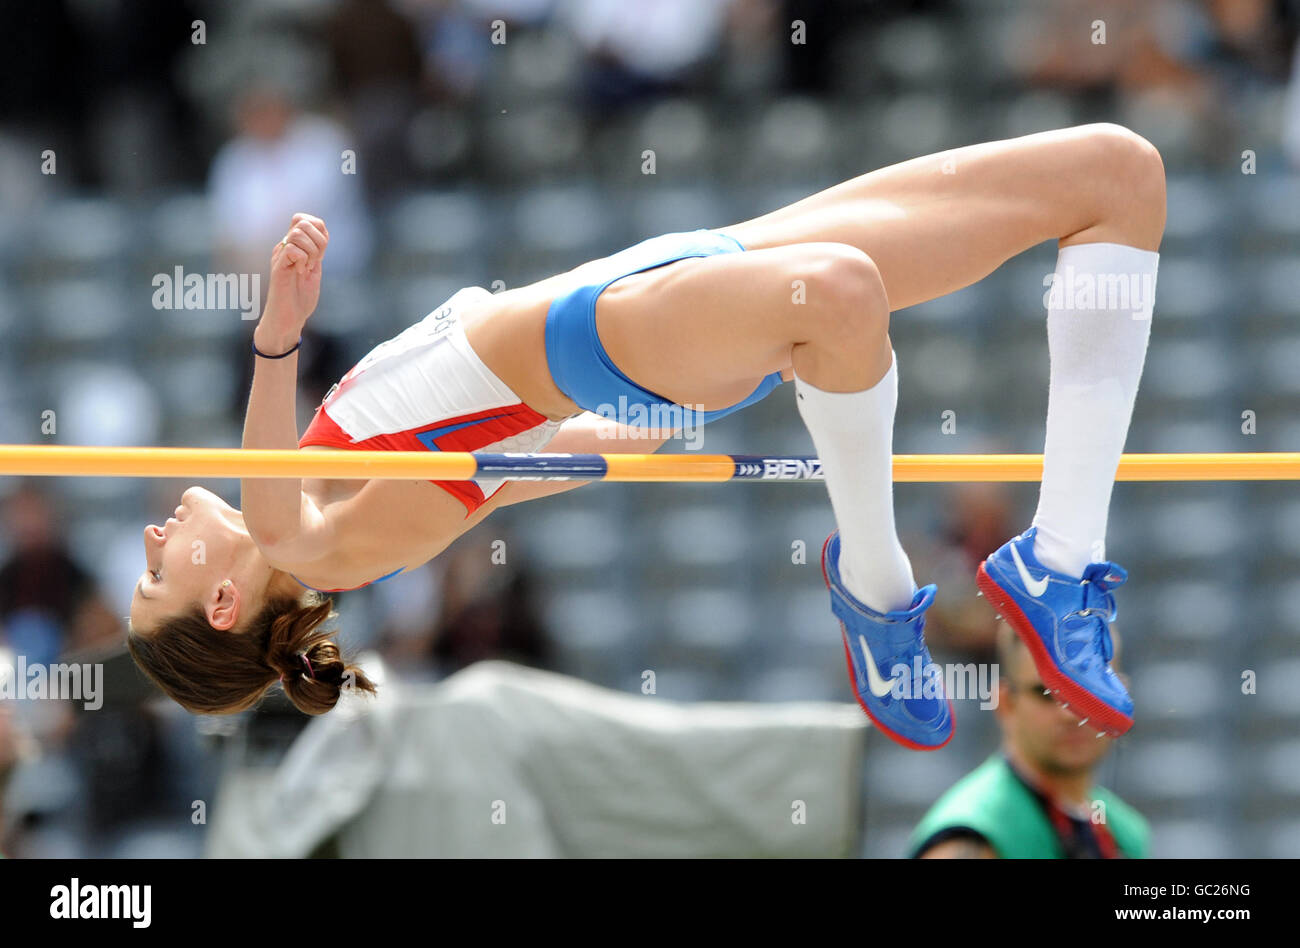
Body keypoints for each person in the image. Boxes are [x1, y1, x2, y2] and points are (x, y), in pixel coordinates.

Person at [127, 123, 1165, 742]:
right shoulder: (313, 540)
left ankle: (1062, 556)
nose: (149, 540)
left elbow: (520, 469)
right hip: (613, 332)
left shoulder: (339, 500)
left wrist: (641, 431)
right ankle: (878, 588)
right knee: (841, 292)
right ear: (222, 604)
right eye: (154, 576)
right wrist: (274, 339)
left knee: (1116, 174)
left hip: (672, 278)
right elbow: (271, 486)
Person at [908, 624, 1149, 858]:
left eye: (1090, 691)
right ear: (1006, 704)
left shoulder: (1123, 831)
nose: (1069, 713)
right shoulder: (972, 835)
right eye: (1045, 694)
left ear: (1122, 701)